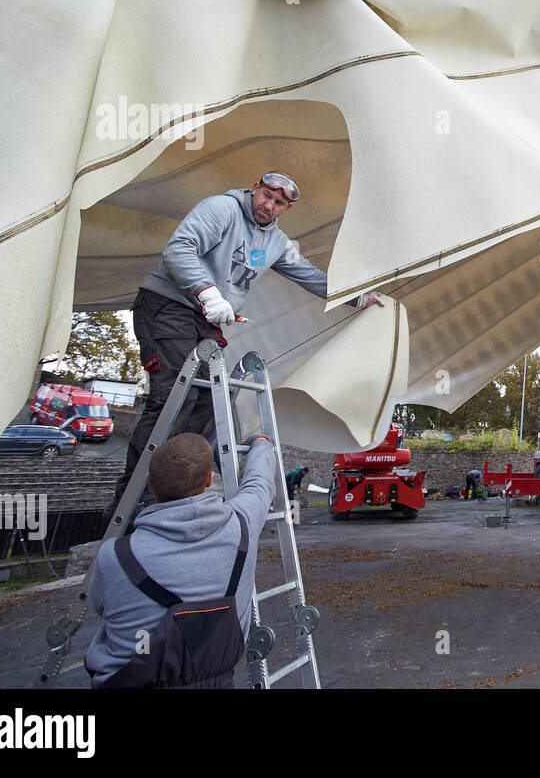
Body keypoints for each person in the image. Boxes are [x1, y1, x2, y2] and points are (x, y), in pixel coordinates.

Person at [114, 171, 382, 508]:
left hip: (202, 318)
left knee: (208, 402)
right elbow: (180, 248)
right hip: (168, 306)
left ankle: (180, 490)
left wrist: (357, 297)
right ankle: (132, 496)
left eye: (278, 203)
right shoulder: (222, 210)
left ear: (287, 209)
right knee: (171, 398)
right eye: (266, 196)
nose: (268, 205)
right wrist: (208, 293)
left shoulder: (276, 243)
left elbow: (310, 276)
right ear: (254, 189)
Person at [86, 432, 276, 687]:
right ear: (209, 480)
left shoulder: (115, 556)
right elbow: (259, 481)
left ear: (149, 482)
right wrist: (262, 443)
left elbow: (99, 606)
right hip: (216, 680)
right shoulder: (242, 525)